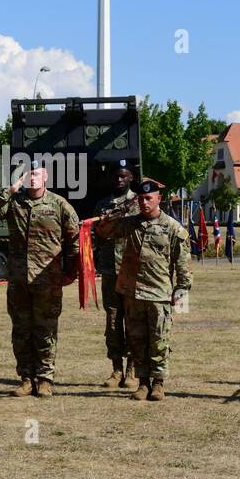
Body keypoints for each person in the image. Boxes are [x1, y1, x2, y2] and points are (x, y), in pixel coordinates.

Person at [0, 159, 80, 397]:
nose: (32, 177)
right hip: (18, 280)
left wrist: (70, 271)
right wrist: (8, 191)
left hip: (48, 280)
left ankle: (45, 379)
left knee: (46, 329)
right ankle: (26, 378)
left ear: (45, 177)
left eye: (36, 173)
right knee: (21, 329)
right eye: (28, 173)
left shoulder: (59, 205)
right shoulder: (15, 203)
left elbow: (74, 240)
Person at [96, 177, 192, 402]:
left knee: (158, 340)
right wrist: (119, 210)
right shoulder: (130, 224)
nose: (144, 202)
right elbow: (104, 231)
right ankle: (142, 383)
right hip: (134, 294)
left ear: (159, 199)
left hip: (159, 294)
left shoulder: (172, 228)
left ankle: (158, 384)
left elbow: (183, 263)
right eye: (140, 198)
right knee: (137, 340)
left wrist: (181, 291)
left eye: (148, 198)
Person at [95, 161, 138, 389]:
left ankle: (131, 371)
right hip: (110, 271)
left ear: (131, 177)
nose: (119, 180)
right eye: (116, 176)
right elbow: (97, 238)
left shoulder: (139, 204)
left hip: (132, 271)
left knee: (132, 320)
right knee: (112, 321)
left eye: (124, 176)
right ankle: (116, 370)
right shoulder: (102, 206)